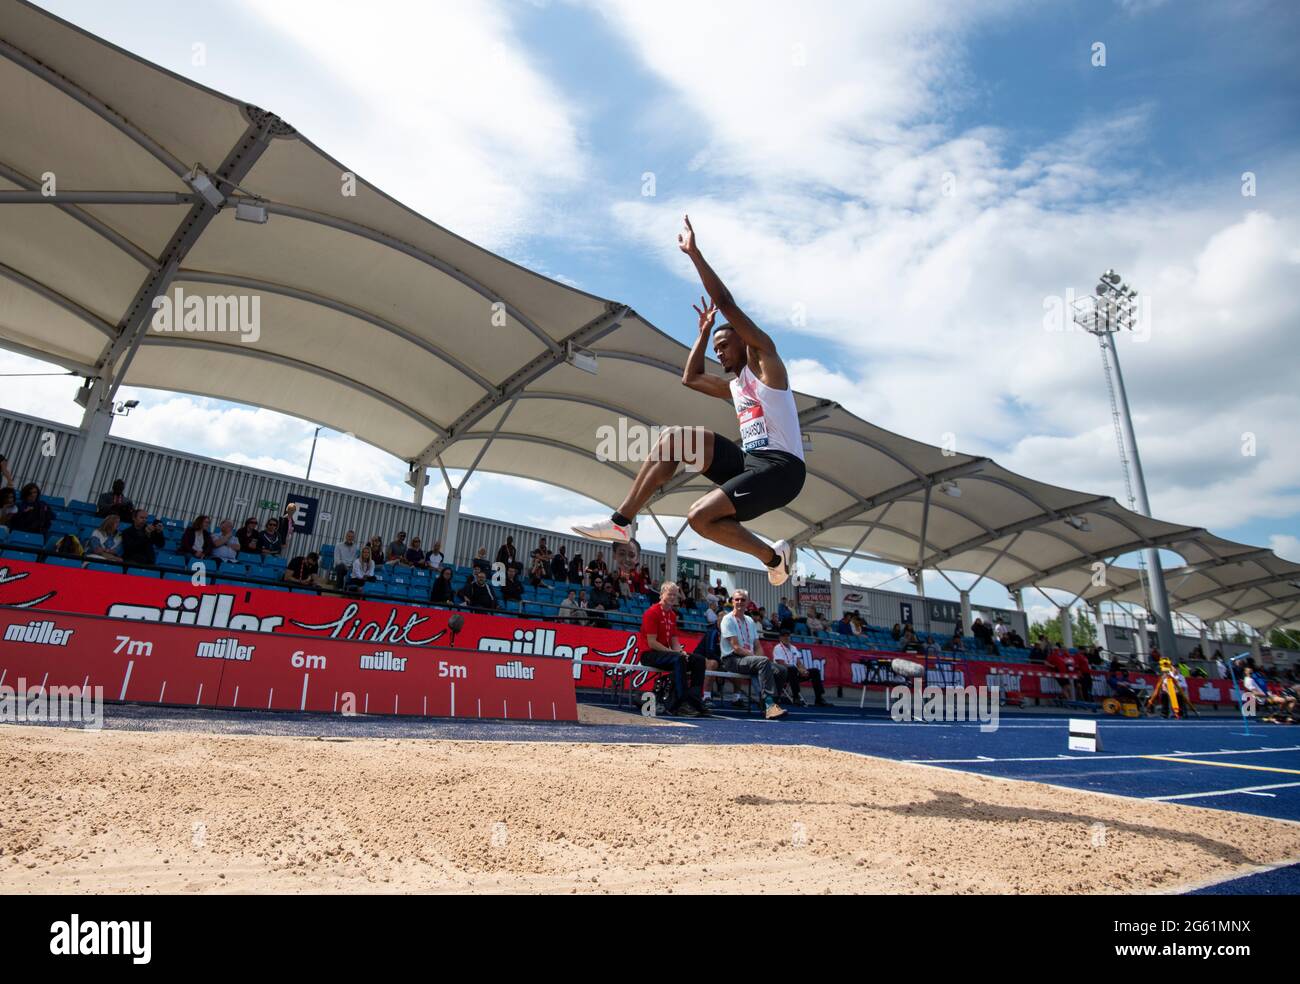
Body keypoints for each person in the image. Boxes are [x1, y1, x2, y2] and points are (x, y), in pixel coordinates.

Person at [573, 216, 803, 587]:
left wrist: (694, 254)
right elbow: (690, 377)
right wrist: (704, 334)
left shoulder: (766, 365)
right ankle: (621, 522)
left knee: (699, 518)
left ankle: (774, 558)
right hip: (751, 462)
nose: (721, 356)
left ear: (745, 343)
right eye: (717, 350)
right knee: (674, 439)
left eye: (724, 347)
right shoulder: (735, 387)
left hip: (782, 470)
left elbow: (725, 301)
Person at [640, 581, 711, 717]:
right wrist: (675, 653)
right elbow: (652, 643)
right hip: (649, 654)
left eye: (675, 595)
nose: (673, 597)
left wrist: (680, 651)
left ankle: (694, 701)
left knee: (698, 660)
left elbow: (674, 641)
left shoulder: (672, 615)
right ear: (661, 595)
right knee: (678, 659)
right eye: (670, 594)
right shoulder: (652, 612)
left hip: (666, 654)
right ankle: (681, 703)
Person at [720, 589, 786, 719]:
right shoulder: (727, 619)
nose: (739, 602)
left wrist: (759, 657)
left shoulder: (750, 620)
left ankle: (772, 704)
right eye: (737, 599)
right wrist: (758, 658)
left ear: (748, 603)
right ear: (732, 601)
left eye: (743, 600)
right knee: (763, 662)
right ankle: (769, 705)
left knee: (781, 670)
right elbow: (736, 647)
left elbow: (757, 645)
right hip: (732, 659)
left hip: (749, 659)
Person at [773, 629, 830, 707]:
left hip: (795, 673)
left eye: (788, 636)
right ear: (780, 638)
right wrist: (798, 670)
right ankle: (796, 697)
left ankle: (819, 698)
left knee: (815, 671)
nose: (786, 638)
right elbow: (781, 663)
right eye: (784, 636)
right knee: (792, 669)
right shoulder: (778, 648)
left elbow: (799, 663)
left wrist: (803, 670)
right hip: (783, 674)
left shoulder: (793, 648)